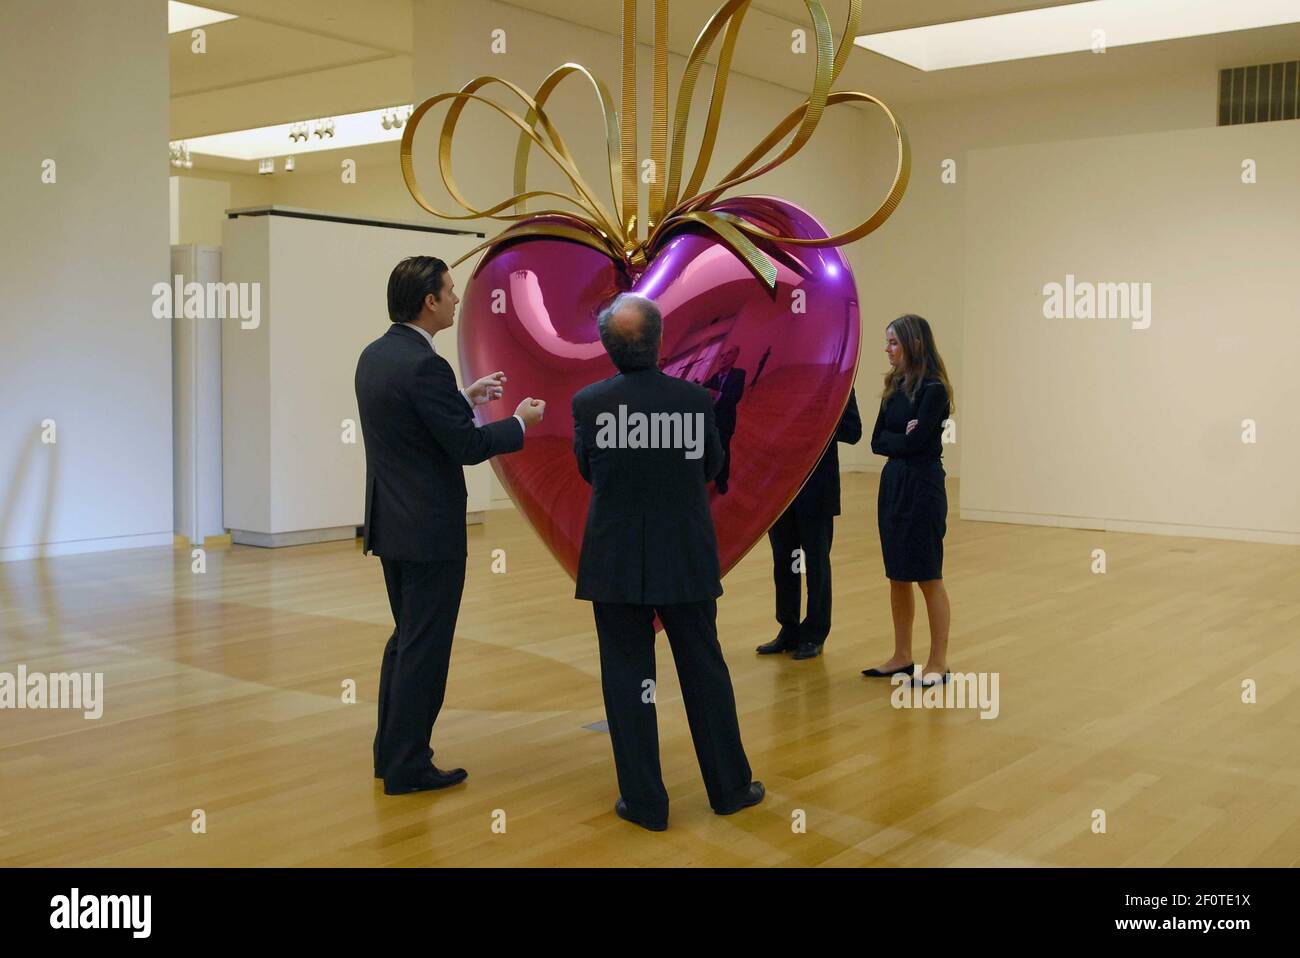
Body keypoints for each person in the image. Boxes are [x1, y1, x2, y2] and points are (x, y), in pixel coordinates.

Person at [572, 293, 763, 831]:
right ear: (659, 342)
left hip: (615, 561)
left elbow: (589, 470)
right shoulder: (697, 402)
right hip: (684, 556)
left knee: (628, 678)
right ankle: (729, 789)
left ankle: (646, 803)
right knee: (704, 670)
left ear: (609, 349)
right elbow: (711, 466)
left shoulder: (589, 404)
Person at [355, 255, 545, 795]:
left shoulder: (376, 356)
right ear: (429, 301)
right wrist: (517, 423)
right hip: (429, 531)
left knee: (405, 640)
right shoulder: (425, 366)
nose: (458, 300)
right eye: (451, 291)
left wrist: (463, 398)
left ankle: (390, 752)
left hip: (391, 524)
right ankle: (409, 764)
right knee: (426, 647)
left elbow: (413, 422)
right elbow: (465, 446)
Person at [862, 314, 954, 687]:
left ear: (914, 344)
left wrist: (901, 438)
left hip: (924, 486)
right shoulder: (893, 387)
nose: (887, 349)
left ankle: (938, 662)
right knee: (897, 574)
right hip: (894, 484)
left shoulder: (934, 390)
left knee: (927, 575)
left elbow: (916, 444)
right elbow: (875, 441)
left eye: (893, 343)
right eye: (887, 342)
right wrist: (905, 432)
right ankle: (902, 655)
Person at [756, 389, 862, 660]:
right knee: (784, 560)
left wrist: (819, 417)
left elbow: (853, 431)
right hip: (781, 489)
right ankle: (788, 628)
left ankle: (815, 633)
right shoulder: (779, 382)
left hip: (817, 490)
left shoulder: (839, 384)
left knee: (815, 563)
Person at [700, 346, 746, 494]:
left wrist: (716, 394)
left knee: (722, 453)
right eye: (722, 356)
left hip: (725, 423)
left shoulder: (739, 374)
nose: (723, 357)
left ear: (735, 358)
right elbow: (701, 388)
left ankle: (722, 481)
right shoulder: (715, 377)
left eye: (728, 354)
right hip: (710, 421)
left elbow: (735, 398)